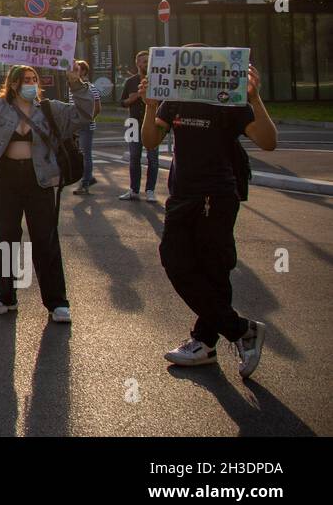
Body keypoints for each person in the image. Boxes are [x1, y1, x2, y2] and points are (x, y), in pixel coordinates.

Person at [139, 53, 276, 377]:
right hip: (181, 194)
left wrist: (255, 98)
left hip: (217, 194)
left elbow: (268, 142)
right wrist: (148, 105)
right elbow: (150, 141)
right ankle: (242, 330)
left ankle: (204, 342)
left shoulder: (228, 100)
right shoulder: (173, 100)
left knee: (214, 269)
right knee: (174, 260)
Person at [0, 50, 94, 322]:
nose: (30, 83)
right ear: (13, 83)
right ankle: (4, 296)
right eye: (24, 79)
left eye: (33, 79)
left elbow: (84, 114)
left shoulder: (50, 109)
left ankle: (57, 302)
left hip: (39, 179)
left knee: (45, 238)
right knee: (5, 236)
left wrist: (76, 83)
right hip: (7, 179)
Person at [118, 50, 159, 202]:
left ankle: (150, 190)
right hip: (133, 123)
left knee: (153, 158)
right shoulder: (130, 82)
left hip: (152, 123)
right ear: (137, 63)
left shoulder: (157, 80)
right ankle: (134, 190)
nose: (146, 64)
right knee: (134, 157)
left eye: (148, 61)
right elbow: (122, 102)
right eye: (143, 61)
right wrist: (134, 97)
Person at [72, 60, 102, 195]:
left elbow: (97, 107)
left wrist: (87, 119)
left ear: (83, 72)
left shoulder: (90, 87)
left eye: (77, 69)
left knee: (85, 155)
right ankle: (89, 177)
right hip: (75, 127)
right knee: (78, 154)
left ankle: (85, 183)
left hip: (85, 126)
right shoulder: (71, 87)